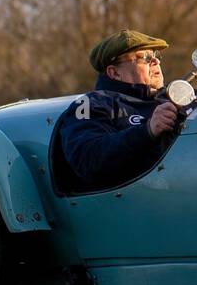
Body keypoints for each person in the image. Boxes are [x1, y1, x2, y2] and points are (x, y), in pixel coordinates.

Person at [56, 29, 181, 193]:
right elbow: (88, 160)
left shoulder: (173, 98)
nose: (155, 62)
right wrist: (147, 130)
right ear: (114, 72)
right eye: (145, 58)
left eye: (156, 56)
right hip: (132, 199)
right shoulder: (89, 105)